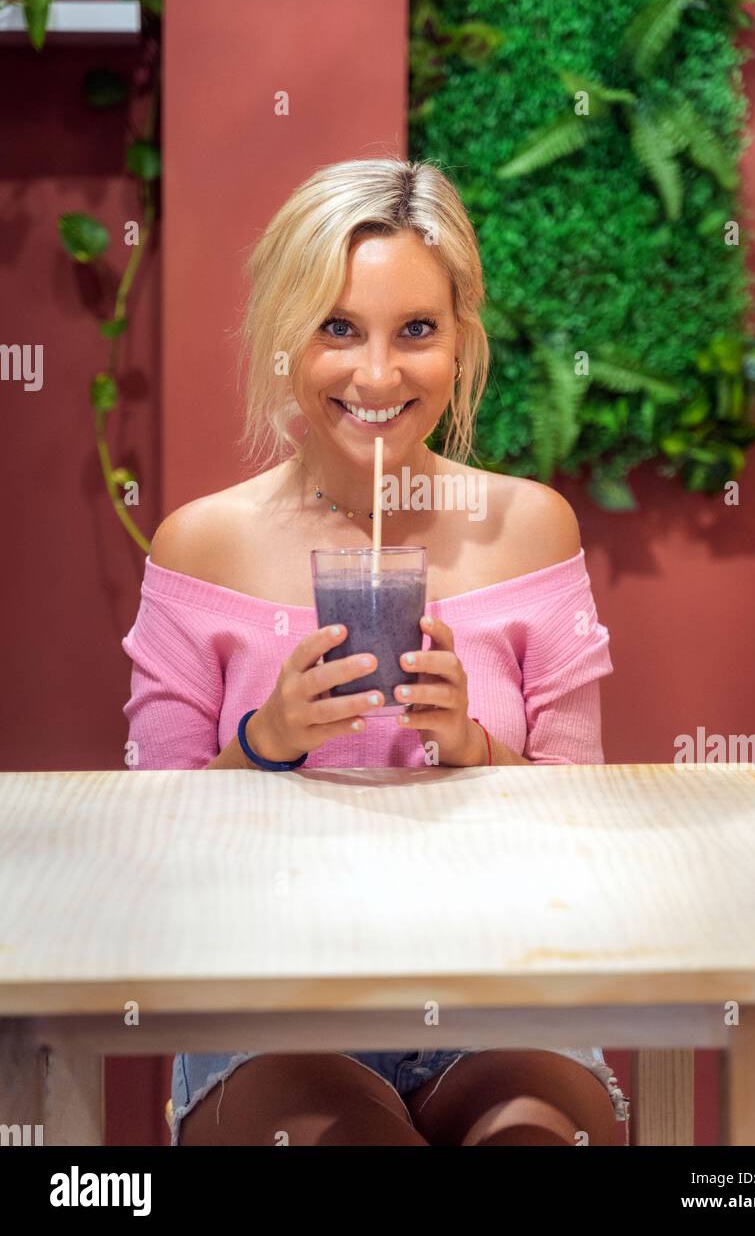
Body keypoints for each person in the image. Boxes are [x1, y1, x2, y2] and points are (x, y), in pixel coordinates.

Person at [122, 156, 628, 1146]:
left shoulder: (530, 529)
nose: (377, 374)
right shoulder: (201, 543)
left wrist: (477, 752)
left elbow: (591, 830)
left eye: (416, 332)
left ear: (459, 344)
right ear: (285, 340)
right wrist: (265, 742)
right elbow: (144, 854)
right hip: (271, 1011)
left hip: (501, 992)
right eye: (339, 329)